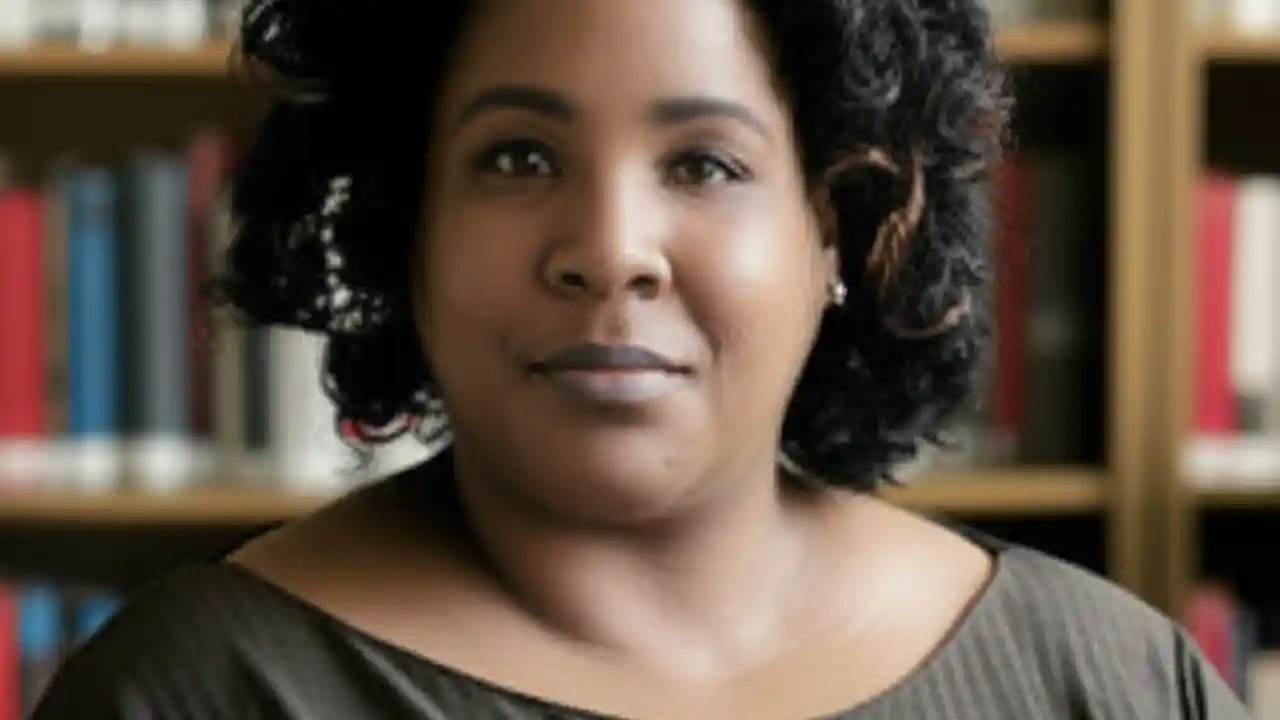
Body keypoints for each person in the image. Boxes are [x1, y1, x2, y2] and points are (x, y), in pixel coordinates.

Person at [32, 0, 1250, 718]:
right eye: (516, 158)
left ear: (841, 224)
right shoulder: (204, 689)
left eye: (704, 165)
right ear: (406, 225)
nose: (609, 253)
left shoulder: (1101, 676)